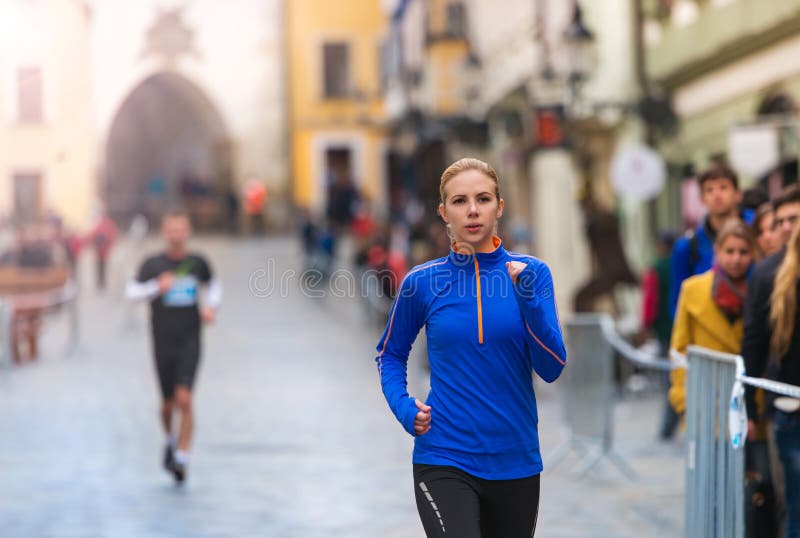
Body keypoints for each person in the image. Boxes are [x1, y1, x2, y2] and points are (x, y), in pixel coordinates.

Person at [375, 158, 566, 537]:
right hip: (444, 455)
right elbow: (390, 354)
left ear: (500, 206)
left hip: (516, 460)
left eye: (483, 198)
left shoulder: (532, 273)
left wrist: (527, 299)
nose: (473, 210)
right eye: (460, 201)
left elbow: (552, 366)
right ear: (444, 212)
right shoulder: (422, 282)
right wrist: (403, 406)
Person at [125, 210, 221, 484]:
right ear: (164, 233)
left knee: (185, 399)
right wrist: (157, 287)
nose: (176, 235)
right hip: (162, 341)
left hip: (190, 339)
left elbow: (214, 285)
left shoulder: (197, 262)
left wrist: (211, 308)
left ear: (188, 231)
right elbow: (131, 293)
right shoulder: (153, 264)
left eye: (181, 230)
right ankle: (170, 438)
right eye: (171, 230)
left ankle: (181, 457)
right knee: (168, 405)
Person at [743, 186, 800, 538]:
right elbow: (753, 344)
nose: (785, 227)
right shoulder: (767, 273)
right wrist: (750, 408)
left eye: (793, 218)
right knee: (794, 505)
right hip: (788, 404)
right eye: (779, 221)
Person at [667, 220, 754, 417]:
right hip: (705, 402)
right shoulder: (693, 289)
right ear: (717, 251)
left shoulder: (759, 290)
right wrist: (682, 397)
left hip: (747, 403)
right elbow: (679, 348)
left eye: (743, 252)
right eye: (729, 251)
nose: (736, 259)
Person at [670, 164, 745, 316]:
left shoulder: (757, 232)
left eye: (723, 187)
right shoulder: (687, 247)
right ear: (702, 199)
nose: (717, 195)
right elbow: (678, 305)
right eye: (709, 190)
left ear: (737, 194)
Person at [639, 231, 679, 439]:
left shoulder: (656, 268)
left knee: (669, 380)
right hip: (681, 329)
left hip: (665, 331)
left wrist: (645, 326)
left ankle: (668, 428)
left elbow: (650, 300)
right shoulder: (680, 263)